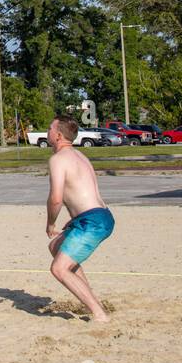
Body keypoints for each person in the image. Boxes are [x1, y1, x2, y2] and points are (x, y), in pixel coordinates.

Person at [44, 114, 114, 322]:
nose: (47, 132)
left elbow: (56, 199)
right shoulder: (79, 155)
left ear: (57, 135)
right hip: (99, 216)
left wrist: (50, 223)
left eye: (49, 128)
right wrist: (74, 220)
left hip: (93, 221)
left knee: (58, 268)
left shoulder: (58, 159)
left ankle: (99, 314)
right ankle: (92, 301)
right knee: (56, 247)